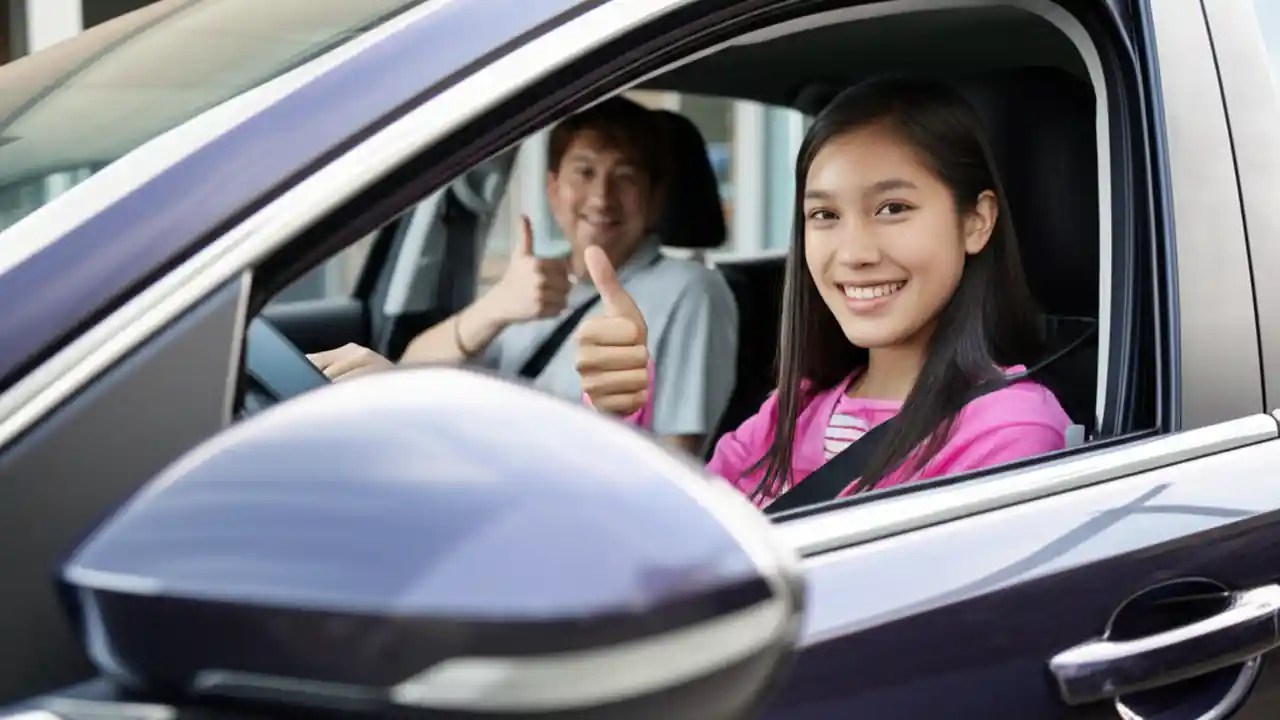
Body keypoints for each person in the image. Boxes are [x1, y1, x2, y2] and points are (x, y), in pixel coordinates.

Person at [575, 77, 1071, 509]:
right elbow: (683, 539)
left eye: (893, 208)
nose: (853, 252)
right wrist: (618, 419)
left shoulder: (1007, 429)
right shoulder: (795, 410)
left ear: (976, 222)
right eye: (825, 216)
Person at [309, 97, 739, 455]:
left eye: (624, 177)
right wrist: (496, 308)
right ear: (554, 190)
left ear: (655, 195)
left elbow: (677, 459)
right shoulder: (533, 278)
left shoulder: (691, 290)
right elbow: (410, 367)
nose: (602, 197)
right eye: (584, 172)